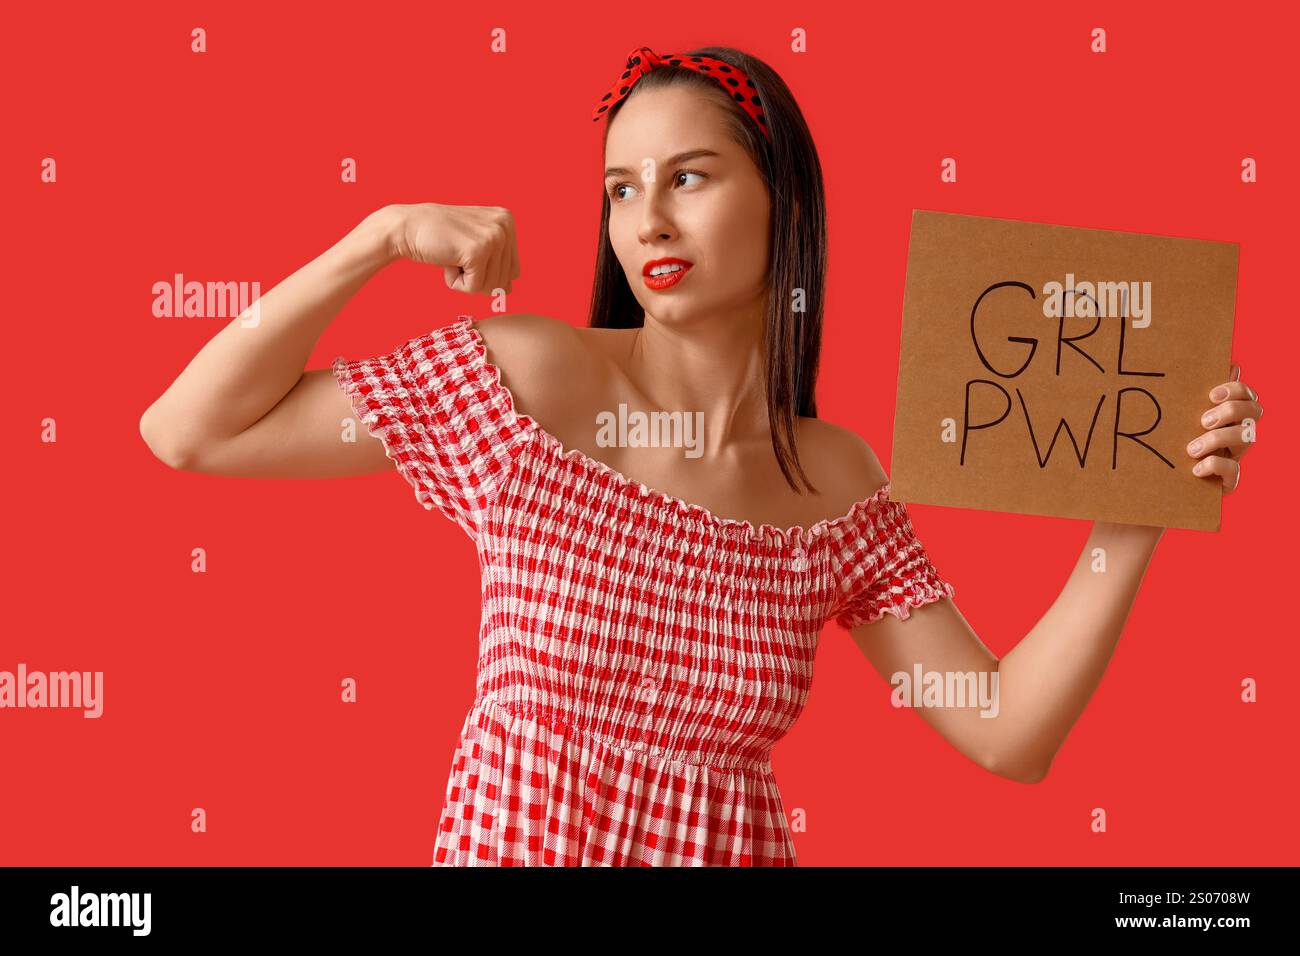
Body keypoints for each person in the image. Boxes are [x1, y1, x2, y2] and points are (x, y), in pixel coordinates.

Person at [138, 45, 1265, 866]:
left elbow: (1010, 733)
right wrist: (379, 235)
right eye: (621, 189)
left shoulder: (838, 485)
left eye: (689, 177)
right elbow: (190, 430)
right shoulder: (524, 378)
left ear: (783, 198)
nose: (647, 224)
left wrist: (1135, 507)